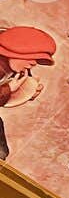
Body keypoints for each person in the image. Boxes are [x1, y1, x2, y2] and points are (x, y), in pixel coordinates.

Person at [0, 26, 56, 161]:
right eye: (31, 59)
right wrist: (9, 89)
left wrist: (28, 91)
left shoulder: (16, 67)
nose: (33, 64)